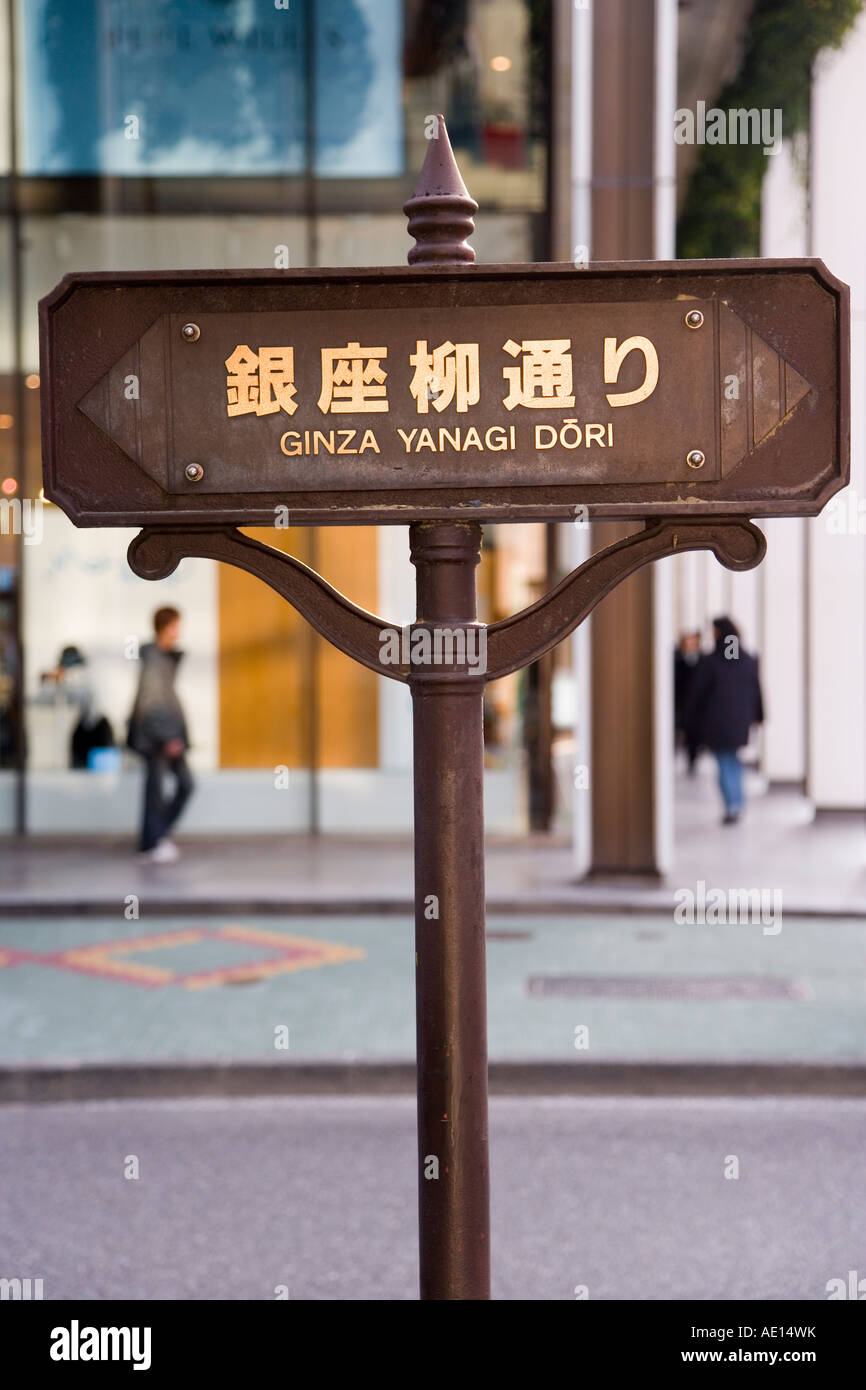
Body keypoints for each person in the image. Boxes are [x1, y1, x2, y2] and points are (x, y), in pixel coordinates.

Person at [128, 607, 193, 862]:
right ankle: (152, 842)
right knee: (157, 791)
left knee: (181, 785)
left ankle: (156, 836)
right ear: (165, 628)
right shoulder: (155, 661)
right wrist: (168, 738)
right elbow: (153, 704)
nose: (179, 632)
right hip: (158, 740)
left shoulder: (163, 659)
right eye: (176, 626)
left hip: (165, 737)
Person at [683, 616, 764, 825]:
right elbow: (756, 690)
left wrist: (688, 714)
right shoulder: (747, 659)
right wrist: (758, 714)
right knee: (733, 761)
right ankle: (737, 802)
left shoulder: (712, 662)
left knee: (725, 762)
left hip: (718, 721)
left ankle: (732, 806)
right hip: (740, 720)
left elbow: (698, 692)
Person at [674, 630, 702, 774]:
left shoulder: (703, 660)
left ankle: (692, 759)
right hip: (680, 702)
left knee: (693, 734)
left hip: (695, 705)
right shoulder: (677, 659)